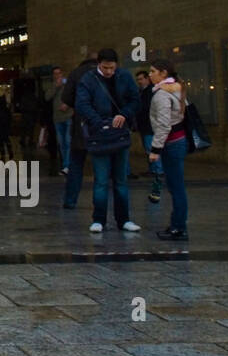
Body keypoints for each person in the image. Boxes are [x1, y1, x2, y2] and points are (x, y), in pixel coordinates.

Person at [75, 47, 142, 234]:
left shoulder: (124, 76)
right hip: (100, 134)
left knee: (121, 179)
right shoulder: (88, 79)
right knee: (102, 179)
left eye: (112, 68)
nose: (109, 72)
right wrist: (98, 122)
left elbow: (135, 100)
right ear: (99, 64)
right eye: (105, 68)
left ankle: (124, 220)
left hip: (120, 131)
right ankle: (99, 219)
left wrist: (124, 114)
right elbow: (82, 104)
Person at [146, 60, 188, 240]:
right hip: (178, 140)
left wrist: (155, 149)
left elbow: (164, 124)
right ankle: (177, 224)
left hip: (171, 143)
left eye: (153, 71)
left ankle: (178, 227)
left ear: (163, 73)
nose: (150, 74)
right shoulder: (177, 89)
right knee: (176, 186)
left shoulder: (162, 94)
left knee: (176, 186)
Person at [61, 55, 95, 209]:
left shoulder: (76, 73)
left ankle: (70, 200)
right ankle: (102, 202)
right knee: (104, 165)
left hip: (81, 124)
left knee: (76, 164)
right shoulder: (110, 72)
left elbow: (66, 97)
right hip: (102, 124)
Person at [135, 68, 164, 202]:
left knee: (151, 147)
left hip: (149, 126)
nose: (139, 82)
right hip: (145, 125)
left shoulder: (151, 91)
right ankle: (153, 169)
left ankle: (157, 170)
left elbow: (147, 108)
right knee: (148, 148)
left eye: (141, 79)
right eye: (138, 80)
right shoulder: (143, 91)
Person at [50, 66, 72, 175]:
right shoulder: (53, 85)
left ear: (62, 74)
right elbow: (47, 97)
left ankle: (68, 166)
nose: (57, 75)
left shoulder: (68, 83)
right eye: (55, 74)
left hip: (68, 116)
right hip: (57, 118)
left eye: (59, 73)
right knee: (61, 143)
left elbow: (74, 94)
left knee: (68, 141)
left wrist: (67, 104)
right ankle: (65, 165)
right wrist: (55, 87)